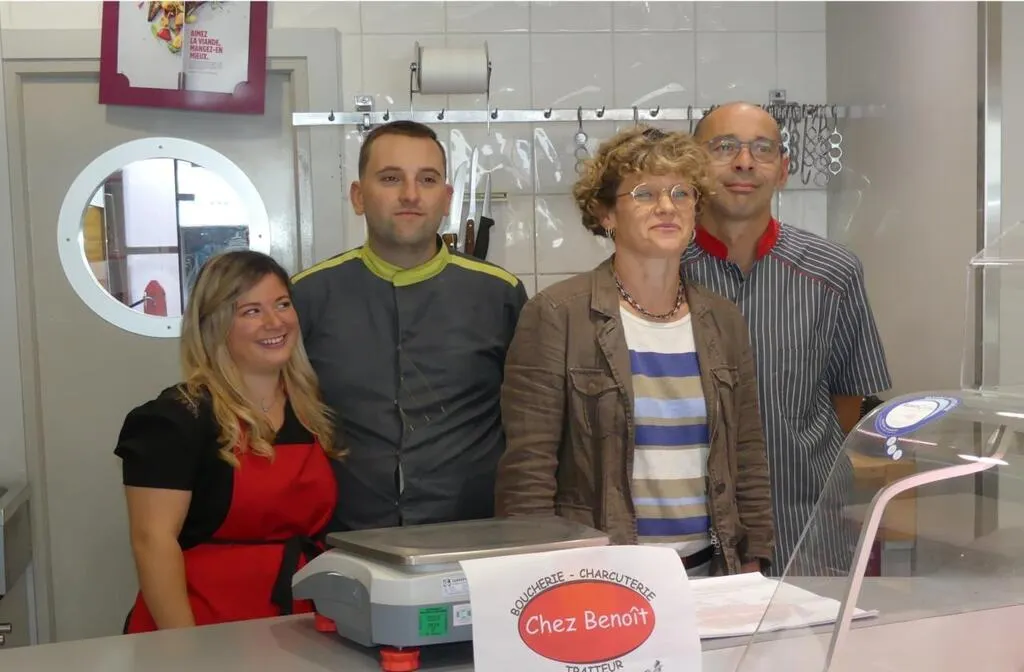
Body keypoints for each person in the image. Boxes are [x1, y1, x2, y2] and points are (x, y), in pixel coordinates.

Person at [495, 126, 774, 576]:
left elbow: (747, 455)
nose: (667, 206)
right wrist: (542, 578)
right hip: (598, 576)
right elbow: (528, 472)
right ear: (606, 213)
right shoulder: (557, 315)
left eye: (682, 193)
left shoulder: (723, 319)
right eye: (645, 194)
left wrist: (752, 562)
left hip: (710, 572)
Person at [291, 120, 529, 533]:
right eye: (390, 178)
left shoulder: (500, 294)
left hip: (473, 536)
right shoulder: (307, 296)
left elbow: (532, 425)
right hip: (344, 538)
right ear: (358, 196)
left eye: (428, 179)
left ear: (446, 198)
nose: (411, 194)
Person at [686, 102, 892, 574]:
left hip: (804, 529)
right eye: (725, 147)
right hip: (690, 538)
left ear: (783, 170)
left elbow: (847, 400)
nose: (744, 162)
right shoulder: (661, 272)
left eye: (763, 149)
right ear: (693, 166)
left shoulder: (833, 271)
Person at [114, 250, 340, 632]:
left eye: (282, 304)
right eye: (251, 311)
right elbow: (153, 541)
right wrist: (184, 648)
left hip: (298, 621)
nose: (275, 322)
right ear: (216, 326)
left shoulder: (312, 413)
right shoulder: (175, 418)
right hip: (202, 625)